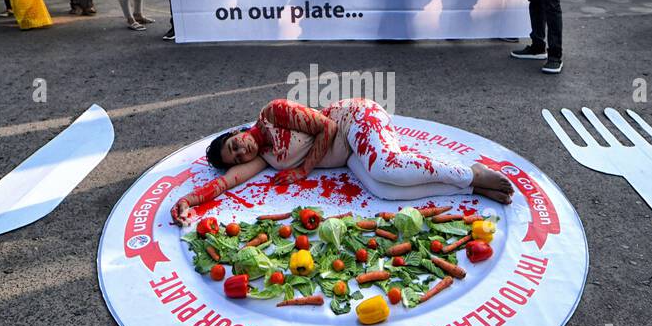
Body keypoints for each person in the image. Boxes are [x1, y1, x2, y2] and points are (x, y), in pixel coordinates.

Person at [169, 98, 515, 225]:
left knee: (385, 167)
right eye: (237, 156)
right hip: (348, 156)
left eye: (235, 144)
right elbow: (227, 181)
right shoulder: (263, 157)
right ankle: (470, 186)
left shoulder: (272, 114)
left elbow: (329, 127)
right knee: (385, 191)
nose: (242, 152)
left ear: (238, 132)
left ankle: (470, 172)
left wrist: (303, 170)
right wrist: (189, 200)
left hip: (355, 120)